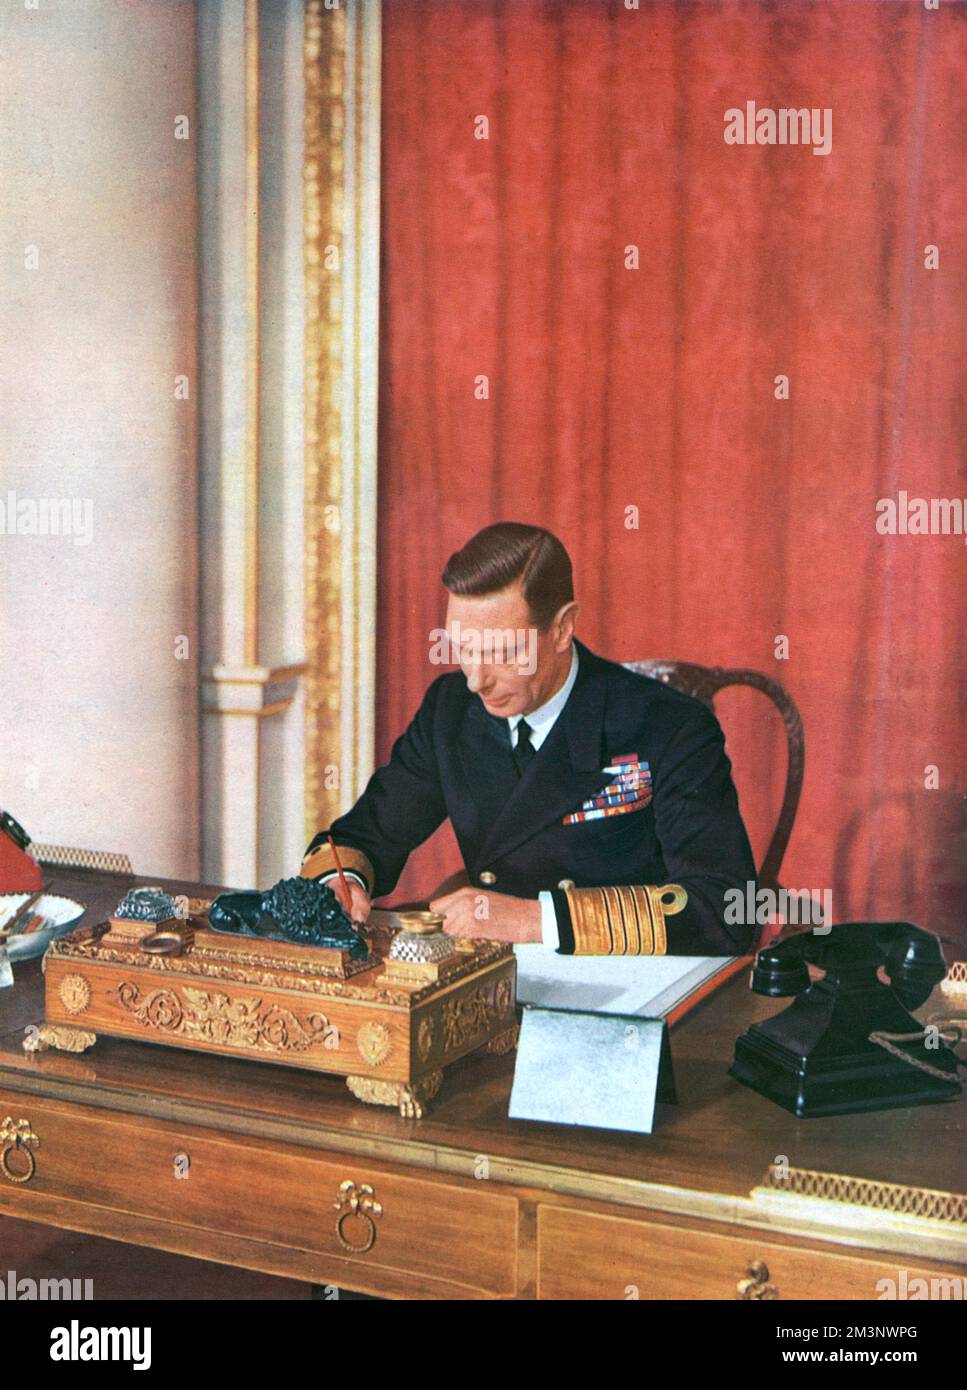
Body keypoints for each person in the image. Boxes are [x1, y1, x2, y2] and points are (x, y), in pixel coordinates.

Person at [302, 522, 757, 955]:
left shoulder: (668, 727)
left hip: (623, 985)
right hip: (493, 976)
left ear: (562, 629)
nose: (476, 681)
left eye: (502, 653)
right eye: (463, 649)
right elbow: (364, 838)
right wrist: (344, 887)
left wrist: (534, 921)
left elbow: (726, 906)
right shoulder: (451, 711)